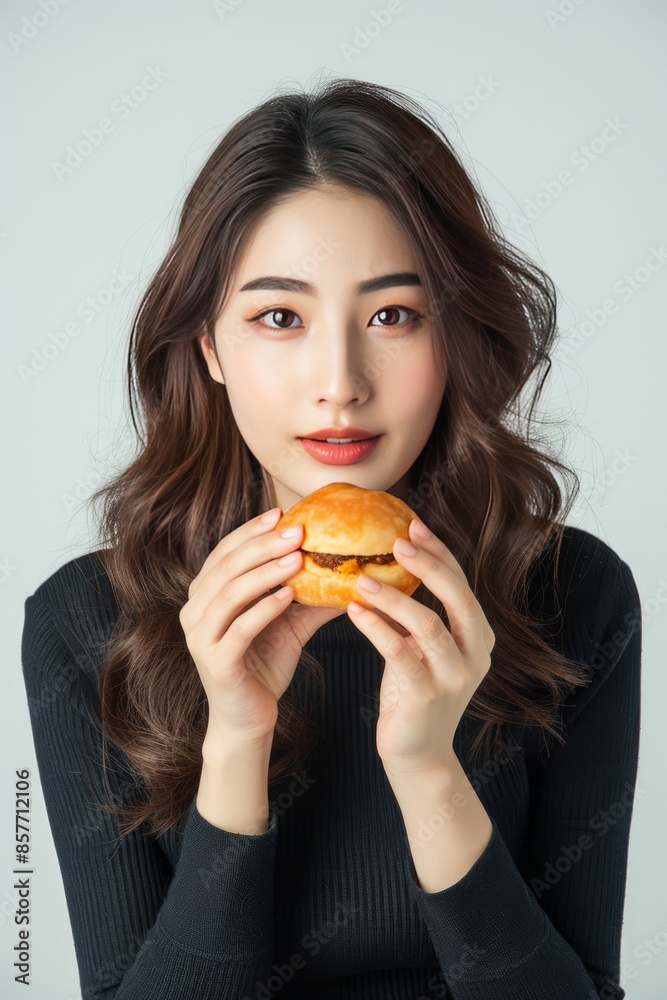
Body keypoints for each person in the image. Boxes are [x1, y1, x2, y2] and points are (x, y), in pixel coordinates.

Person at [20, 78, 642, 1000]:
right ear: (210, 350)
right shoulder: (87, 621)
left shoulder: (573, 593)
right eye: (280, 317)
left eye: (393, 314)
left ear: (456, 335)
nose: (340, 381)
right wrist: (237, 740)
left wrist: (428, 769)